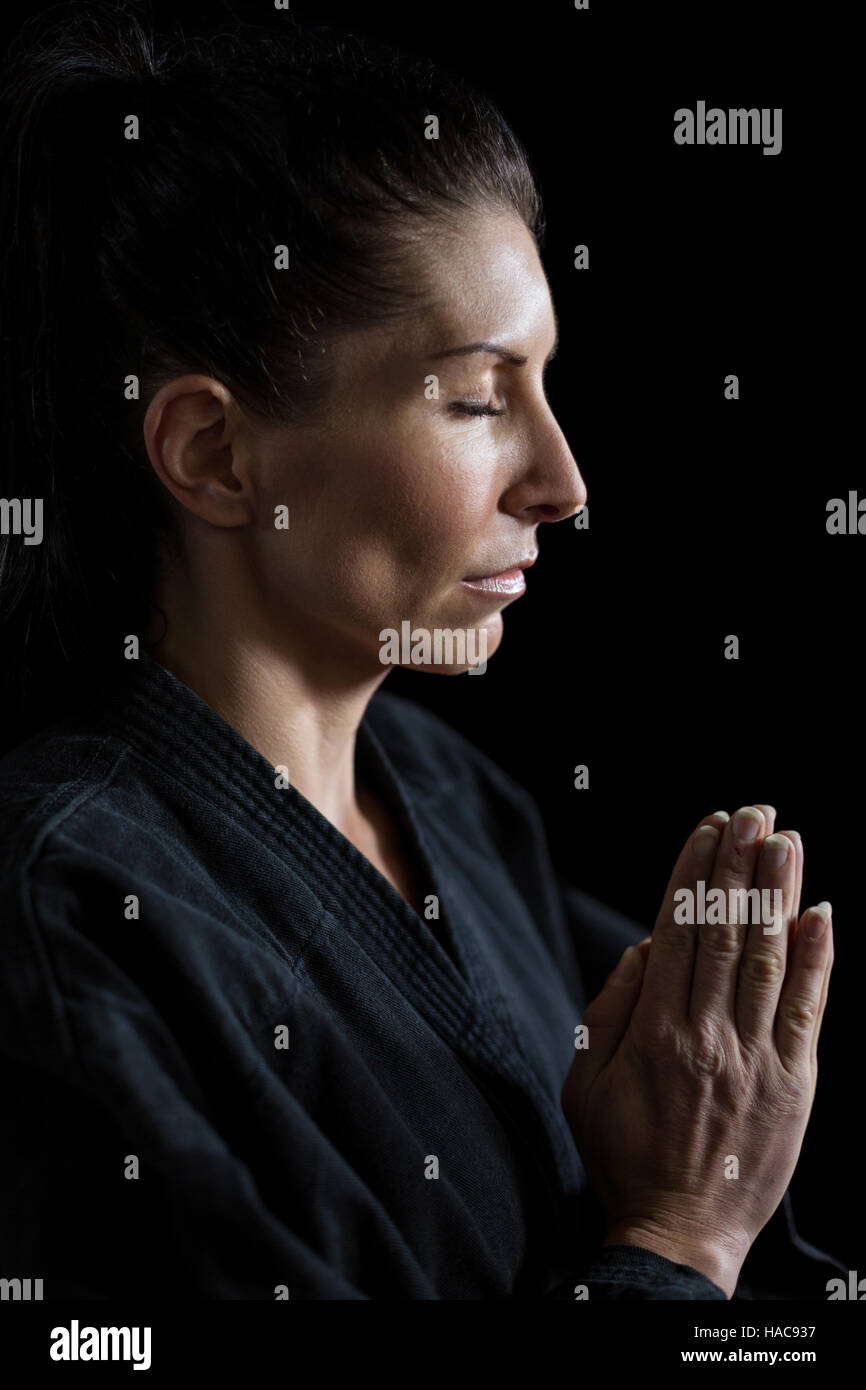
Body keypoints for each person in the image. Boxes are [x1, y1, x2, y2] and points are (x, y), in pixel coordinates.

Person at [0, 5, 843, 1300]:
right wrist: (679, 1236)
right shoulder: (70, 918)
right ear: (216, 455)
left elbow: (705, 1147)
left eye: (546, 385)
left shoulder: (452, 800)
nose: (562, 482)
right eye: (474, 400)